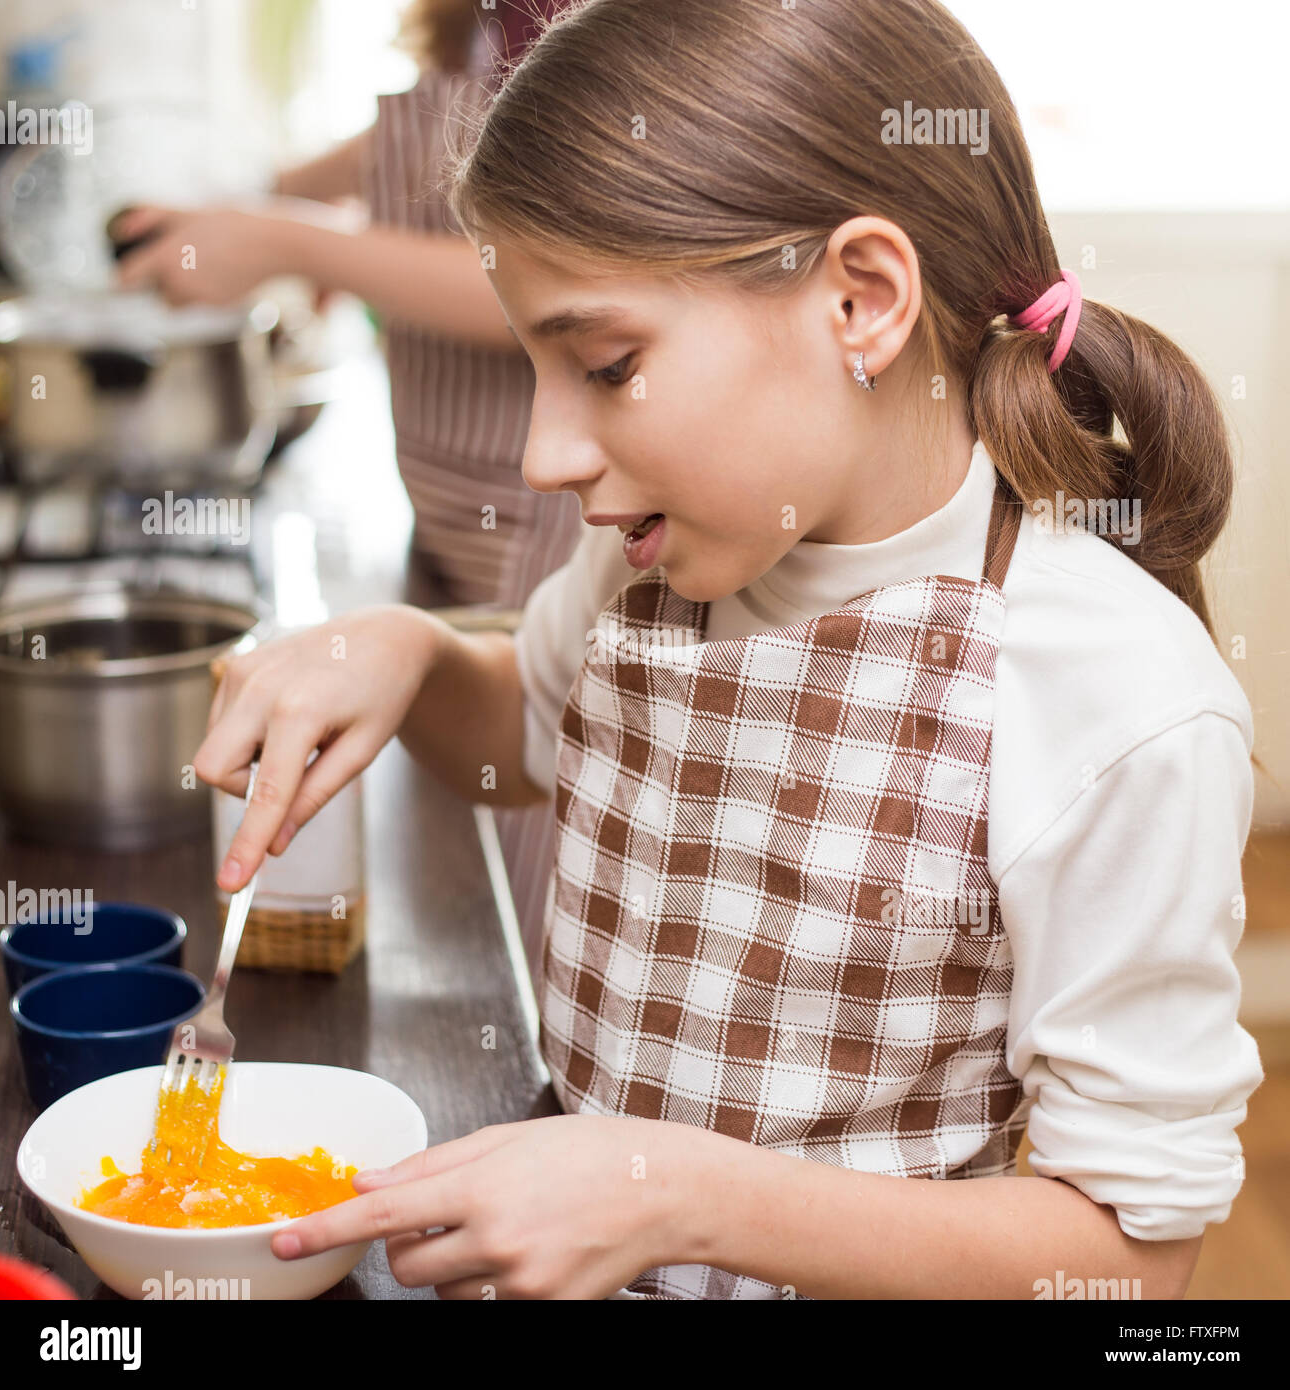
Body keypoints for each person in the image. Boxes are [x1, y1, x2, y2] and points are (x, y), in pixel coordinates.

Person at [194, 0, 1263, 1299]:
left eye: (605, 363)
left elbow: (1131, 1252)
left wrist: (679, 1196)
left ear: (860, 300)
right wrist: (408, 653)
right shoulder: (659, 551)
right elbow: (531, 730)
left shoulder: (1116, 696)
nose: (544, 456)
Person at [115, 0, 577, 972]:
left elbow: (556, 279)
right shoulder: (473, 21)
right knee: (473, 882)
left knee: (545, 887)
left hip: (557, 524)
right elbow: (439, 140)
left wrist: (296, 241)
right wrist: (264, 193)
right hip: (456, 522)